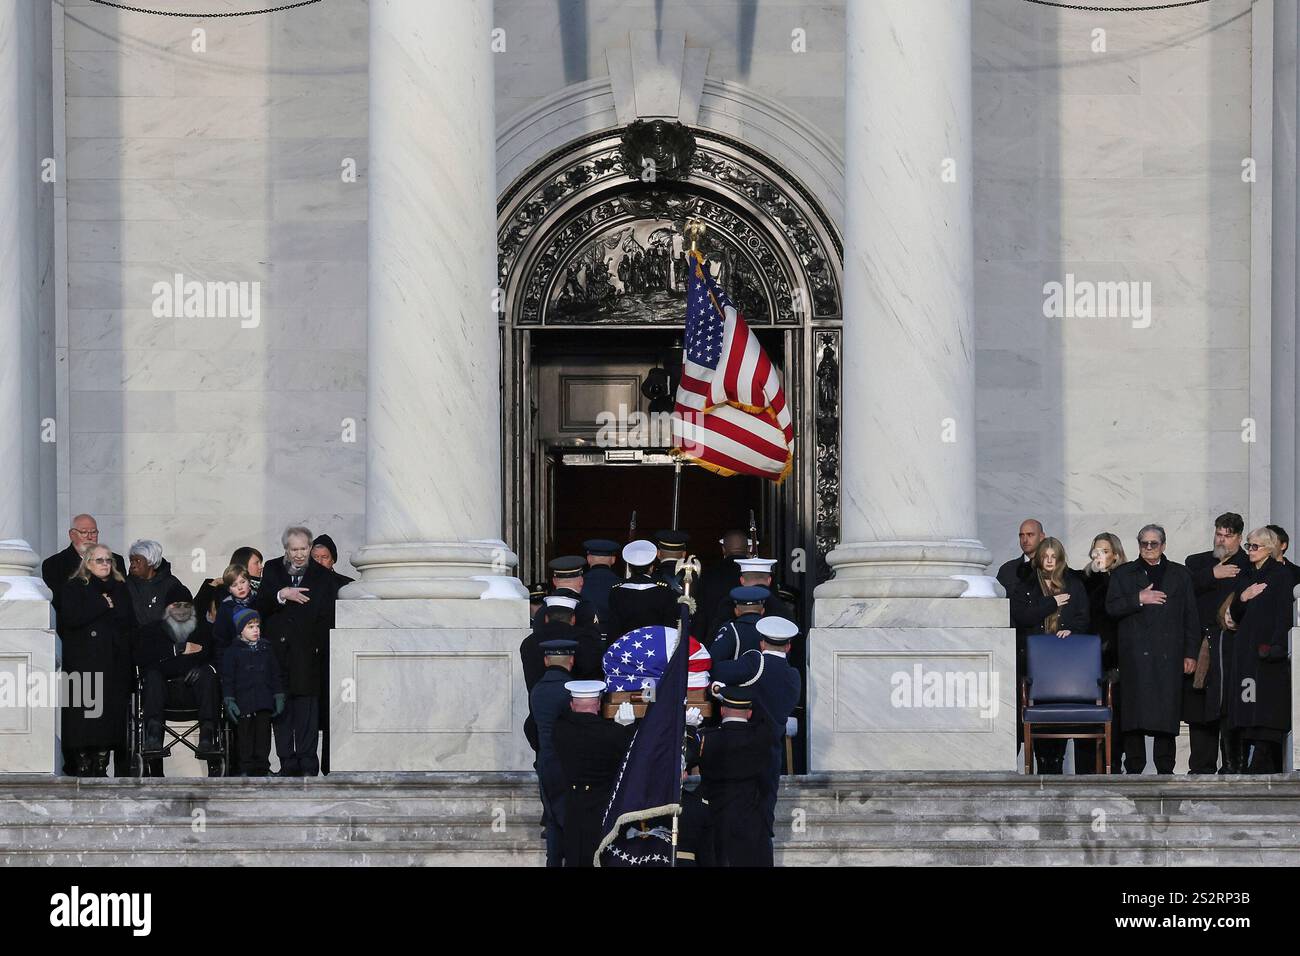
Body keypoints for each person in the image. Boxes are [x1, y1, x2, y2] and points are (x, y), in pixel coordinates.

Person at [1105, 524, 1199, 774]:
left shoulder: (1180, 574)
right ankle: (1134, 767)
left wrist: (1191, 653)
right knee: (1134, 714)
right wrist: (1138, 599)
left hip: (1169, 653)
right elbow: (1111, 608)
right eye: (1144, 543)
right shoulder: (1123, 574)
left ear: (1163, 545)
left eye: (1153, 543)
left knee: (1166, 713)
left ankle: (1165, 768)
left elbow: (1191, 616)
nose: (1148, 548)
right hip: (1135, 654)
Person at [710, 616, 800, 862]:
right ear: (789, 646)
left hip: (744, 745)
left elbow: (715, 668)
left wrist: (719, 691)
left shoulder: (754, 661)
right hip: (772, 751)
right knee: (764, 813)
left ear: (762, 643)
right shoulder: (793, 676)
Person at [256, 524, 338, 776]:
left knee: (306, 714)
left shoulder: (322, 576)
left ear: (310, 548)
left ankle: (307, 764)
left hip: (307, 654)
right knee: (281, 713)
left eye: (304, 548)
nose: (300, 554)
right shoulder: (271, 568)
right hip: (277, 656)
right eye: (294, 549)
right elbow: (260, 606)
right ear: (286, 550)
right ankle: (287, 763)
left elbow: (325, 616)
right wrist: (282, 595)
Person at [1008, 537, 1089, 773]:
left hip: (1065, 663)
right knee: (1038, 713)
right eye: (1046, 556)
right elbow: (1022, 616)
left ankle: (1056, 762)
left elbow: (1084, 618)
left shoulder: (1074, 584)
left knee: (1059, 713)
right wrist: (1051, 602)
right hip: (1035, 664)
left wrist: (1072, 630)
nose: (1050, 560)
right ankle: (1043, 763)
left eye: (1054, 556)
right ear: (1039, 558)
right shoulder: (1027, 586)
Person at [57, 544, 136, 777]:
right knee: (82, 716)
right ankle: (83, 762)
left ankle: (102, 763)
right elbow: (71, 618)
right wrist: (102, 604)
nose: (105, 564)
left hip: (113, 662)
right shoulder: (74, 587)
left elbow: (127, 620)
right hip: (83, 663)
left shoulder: (120, 588)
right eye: (99, 560)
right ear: (88, 562)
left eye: (108, 560)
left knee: (108, 717)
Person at [1183, 512, 1250, 773]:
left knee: (1229, 707)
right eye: (1218, 534)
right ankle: (1201, 768)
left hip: (1231, 645)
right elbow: (1183, 588)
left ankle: (1233, 767)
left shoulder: (1247, 563)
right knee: (1200, 709)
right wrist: (1213, 573)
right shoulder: (1197, 562)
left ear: (1239, 537)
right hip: (1202, 643)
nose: (1222, 540)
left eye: (1228, 535)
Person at [1227, 527, 1293, 773]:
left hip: (1267, 651)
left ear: (1270, 548)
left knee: (1265, 706)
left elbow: (1283, 614)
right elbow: (1234, 615)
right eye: (1249, 546)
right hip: (1245, 651)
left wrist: (1276, 647)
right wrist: (1243, 597)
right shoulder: (1245, 575)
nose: (1251, 551)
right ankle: (1246, 759)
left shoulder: (1280, 575)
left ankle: (1263, 760)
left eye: (1256, 546)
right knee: (1246, 703)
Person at [551, 680, 636, 867]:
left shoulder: (560, 729)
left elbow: (562, 717)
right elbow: (630, 759)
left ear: (572, 704)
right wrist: (626, 728)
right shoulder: (611, 733)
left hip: (572, 803)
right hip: (601, 803)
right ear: (598, 704)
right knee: (598, 854)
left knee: (574, 853)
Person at [134, 599, 221, 765]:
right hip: (162, 695)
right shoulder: (151, 631)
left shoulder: (205, 630)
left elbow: (217, 658)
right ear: (167, 607)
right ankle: (153, 736)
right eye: (176, 604)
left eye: (186, 605)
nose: (181, 609)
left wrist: (203, 667)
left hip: (196, 695)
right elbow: (142, 659)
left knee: (209, 674)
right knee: (152, 675)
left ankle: (207, 736)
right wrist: (177, 650)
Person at [696, 685, 773, 866]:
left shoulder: (707, 738)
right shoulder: (761, 736)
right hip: (750, 817)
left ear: (722, 711)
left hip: (715, 816)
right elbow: (766, 715)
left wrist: (692, 730)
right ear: (749, 713)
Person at [528, 639, 577, 866]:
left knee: (553, 820)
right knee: (571, 822)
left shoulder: (537, 690)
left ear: (546, 661)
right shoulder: (570, 690)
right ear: (571, 660)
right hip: (567, 765)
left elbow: (531, 727)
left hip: (545, 762)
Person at [220, 608, 285, 777]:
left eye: (257, 626)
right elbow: (228, 678)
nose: (255, 629)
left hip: (263, 700)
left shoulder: (266, 648)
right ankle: (245, 768)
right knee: (245, 737)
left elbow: (275, 674)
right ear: (241, 630)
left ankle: (262, 767)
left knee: (263, 737)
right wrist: (229, 699)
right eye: (250, 626)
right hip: (244, 702)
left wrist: (278, 694)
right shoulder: (232, 652)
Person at [1082, 532, 1126, 773]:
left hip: (1115, 656)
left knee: (1115, 714)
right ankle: (1089, 769)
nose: (1100, 555)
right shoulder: (1085, 580)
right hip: (1088, 658)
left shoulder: (1123, 579)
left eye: (1105, 551)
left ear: (1116, 555)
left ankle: (1114, 764)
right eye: (1097, 550)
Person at [41, 514, 125, 613]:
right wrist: (100, 601)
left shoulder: (116, 560)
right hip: (75, 626)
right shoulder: (53, 564)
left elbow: (121, 598)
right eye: (84, 532)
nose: (89, 537)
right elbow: (61, 602)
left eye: (93, 532)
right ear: (72, 535)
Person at [701, 557, 794, 640]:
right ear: (769, 580)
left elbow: (713, 641)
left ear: (742, 580)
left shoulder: (728, 604)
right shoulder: (782, 608)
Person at [604, 540, 677, 640]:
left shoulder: (617, 591)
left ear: (629, 568)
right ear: (651, 567)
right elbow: (670, 628)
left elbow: (613, 629)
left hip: (625, 649)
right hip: (656, 647)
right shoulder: (664, 590)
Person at [692, 529, 750, 641]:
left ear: (723, 549)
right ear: (748, 549)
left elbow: (700, 615)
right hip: (751, 641)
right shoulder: (758, 574)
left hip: (715, 639)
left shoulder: (709, 574)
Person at [125, 540, 193, 626]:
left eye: (138, 560)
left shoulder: (171, 585)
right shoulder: (125, 585)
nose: (133, 565)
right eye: (131, 561)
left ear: (150, 561)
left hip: (163, 637)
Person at [193, 546, 263, 625]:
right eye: (257, 563)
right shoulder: (223, 590)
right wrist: (211, 586)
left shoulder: (265, 587)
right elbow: (196, 611)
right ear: (244, 564)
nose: (261, 567)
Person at [530, 556, 599, 629]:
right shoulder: (586, 607)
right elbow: (593, 637)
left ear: (554, 581)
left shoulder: (543, 610)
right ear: (581, 581)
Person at [709, 586, 769, 661]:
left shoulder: (731, 629)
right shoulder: (771, 629)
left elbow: (714, 659)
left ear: (736, 611)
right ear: (763, 611)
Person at [581, 539, 621, 636]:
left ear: (588, 559)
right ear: (613, 560)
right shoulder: (621, 584)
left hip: (586, 636)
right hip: (613, 637)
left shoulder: (579, 583)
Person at [996, 518, 1045, 595]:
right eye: (1021, 535)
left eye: (1030, 535)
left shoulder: (1054, 567)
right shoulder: (1007, 570)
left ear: (1041, 537)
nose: (1025, 540)